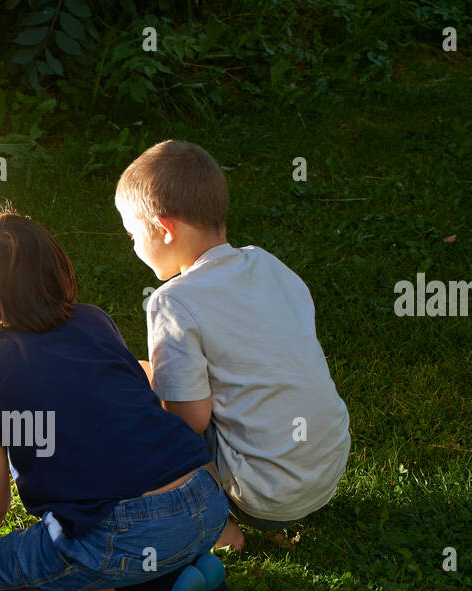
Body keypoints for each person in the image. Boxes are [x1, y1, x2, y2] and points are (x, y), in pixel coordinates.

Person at [0, 213, 234, 591]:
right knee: (145, 530)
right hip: (205, 498)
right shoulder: (94, 320)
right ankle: (196, 573)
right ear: (61, 272)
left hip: (126, 528)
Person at [116, 140, 350, 550]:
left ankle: (215, 527)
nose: (133, 246)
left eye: (133, 234)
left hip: (264, 495)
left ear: (164, 228)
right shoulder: (268, 264)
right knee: (145, 374)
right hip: (326, 467)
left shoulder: (172, 302)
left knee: (138, 405)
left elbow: (189, 422)